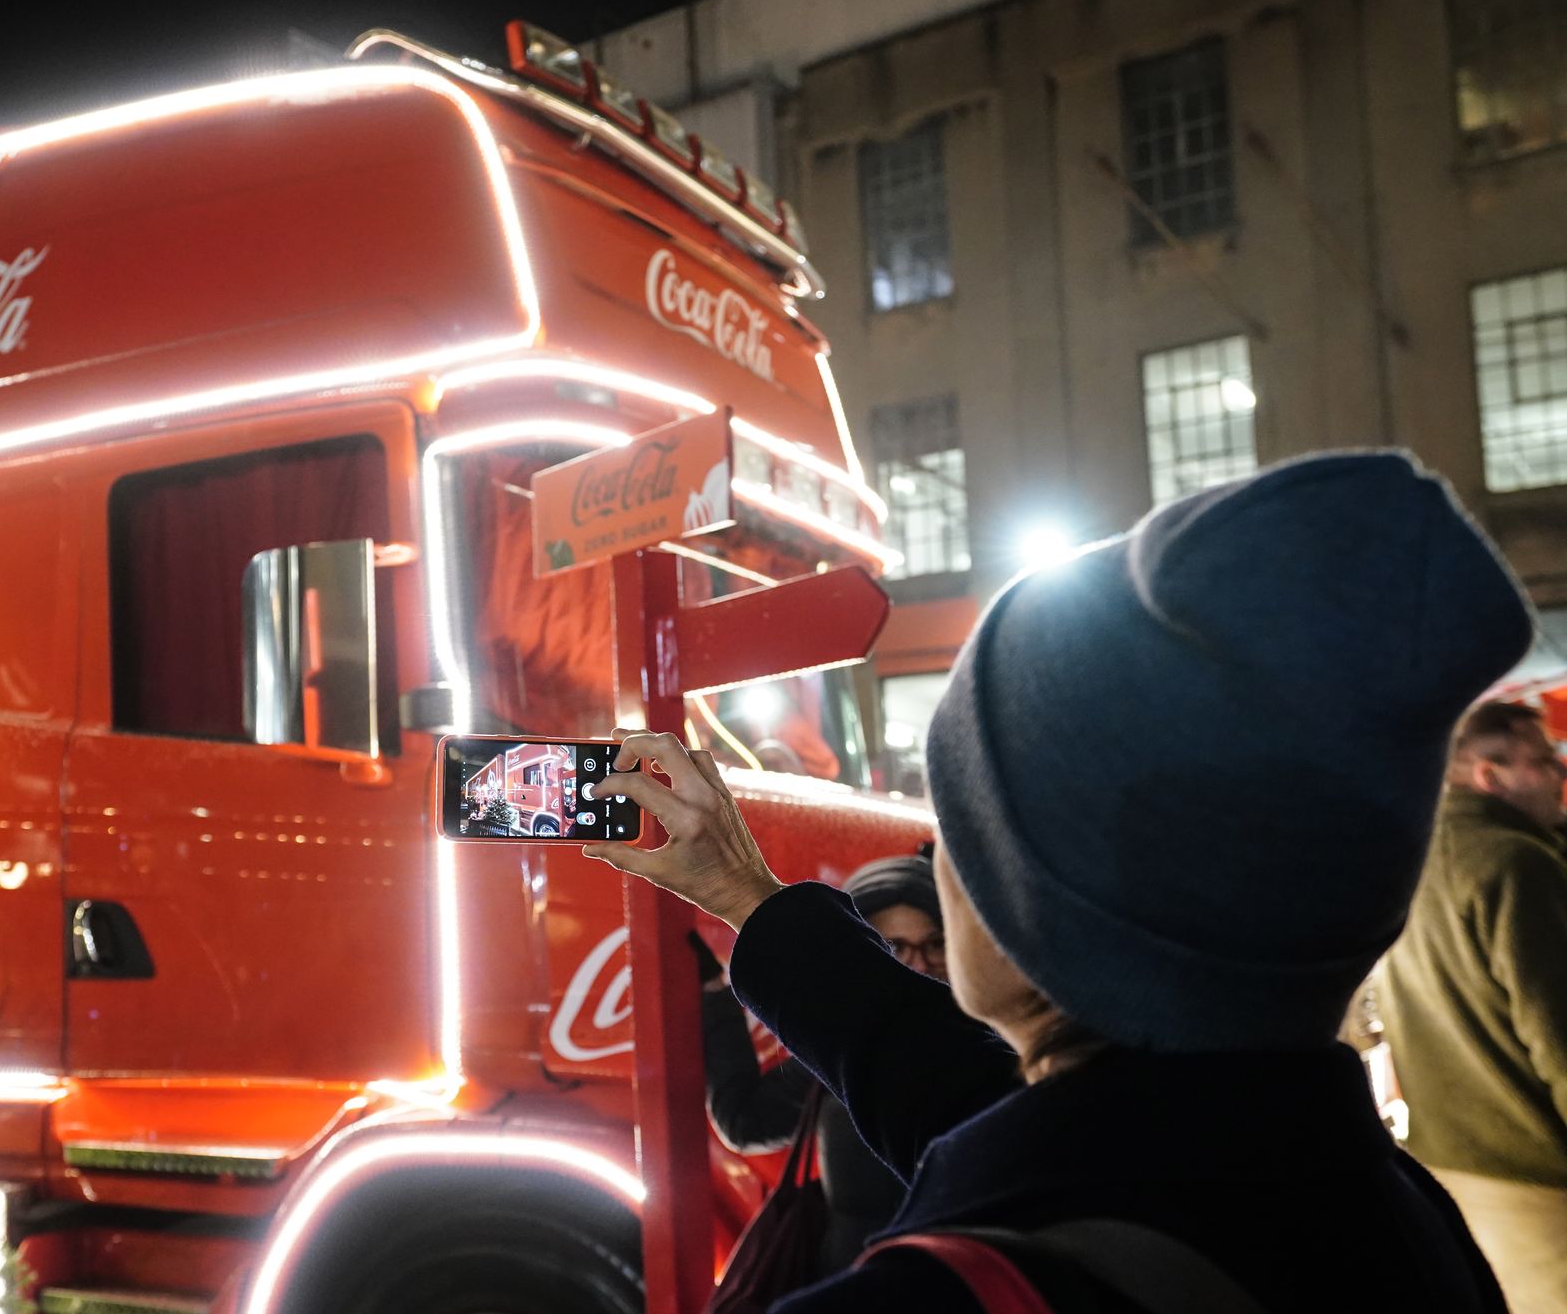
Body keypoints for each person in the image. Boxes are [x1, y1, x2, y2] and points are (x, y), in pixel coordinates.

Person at [586, 451, 1527, 1312]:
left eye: (957, 826)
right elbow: (952, 1086)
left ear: (1040, 903)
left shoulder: (956, 1295)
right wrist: (747, 896)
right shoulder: (1390, 1210)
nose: (937, 857)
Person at [698, 852, 1015, 1272]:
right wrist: (717, 998)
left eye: (935, 943)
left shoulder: (1006, 1058)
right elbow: (746, 1120)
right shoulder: (846, 1056)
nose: (919, 963)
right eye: (892, 947)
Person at [1377, 699, 1567, 1314]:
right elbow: (1559, 1034)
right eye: (1541, 760)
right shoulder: (1516, 862)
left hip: (1451, 1171)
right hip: (1541, 1178)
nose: (1561, 772)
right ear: (1489, 776)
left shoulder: (1407, 863)